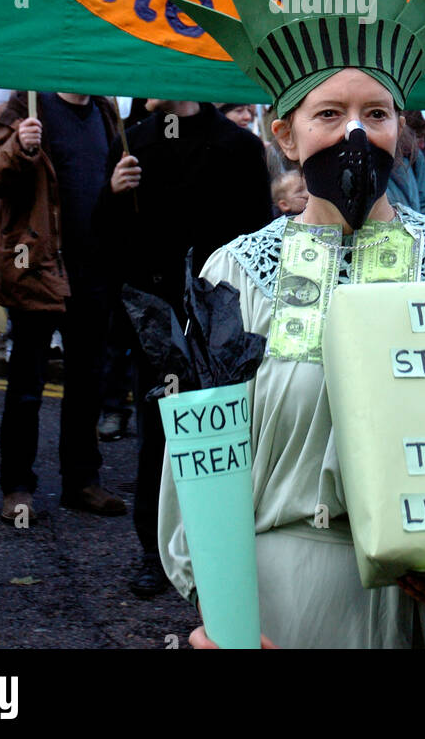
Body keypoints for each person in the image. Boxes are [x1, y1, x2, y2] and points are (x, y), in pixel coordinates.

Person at [157, 0, 425, 650]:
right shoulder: (235, 275)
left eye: (376, 113)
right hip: (285, 600)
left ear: (401, 128)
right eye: (328, 113)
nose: (355, 134)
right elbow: (203, 460)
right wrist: (219, 613)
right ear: (283, 131)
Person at [94, 98, 272, 598]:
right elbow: (102, 240)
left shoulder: (240, 147)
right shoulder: (132, 144)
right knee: (159, 440)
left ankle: (222, 546)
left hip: (222, 317)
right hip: (156, 322)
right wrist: (113, 193)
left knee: (228, 437)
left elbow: (259, 239)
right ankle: (155, 553)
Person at [0, 90, 123, 524]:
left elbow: (106, 182)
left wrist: (118, 186)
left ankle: (82, 481)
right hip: (37, 266)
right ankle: (17, 488)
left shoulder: (104, 108)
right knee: (25, 387)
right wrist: (18, 147)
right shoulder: (26, 105)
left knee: (87, 380)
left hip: (93, 268)